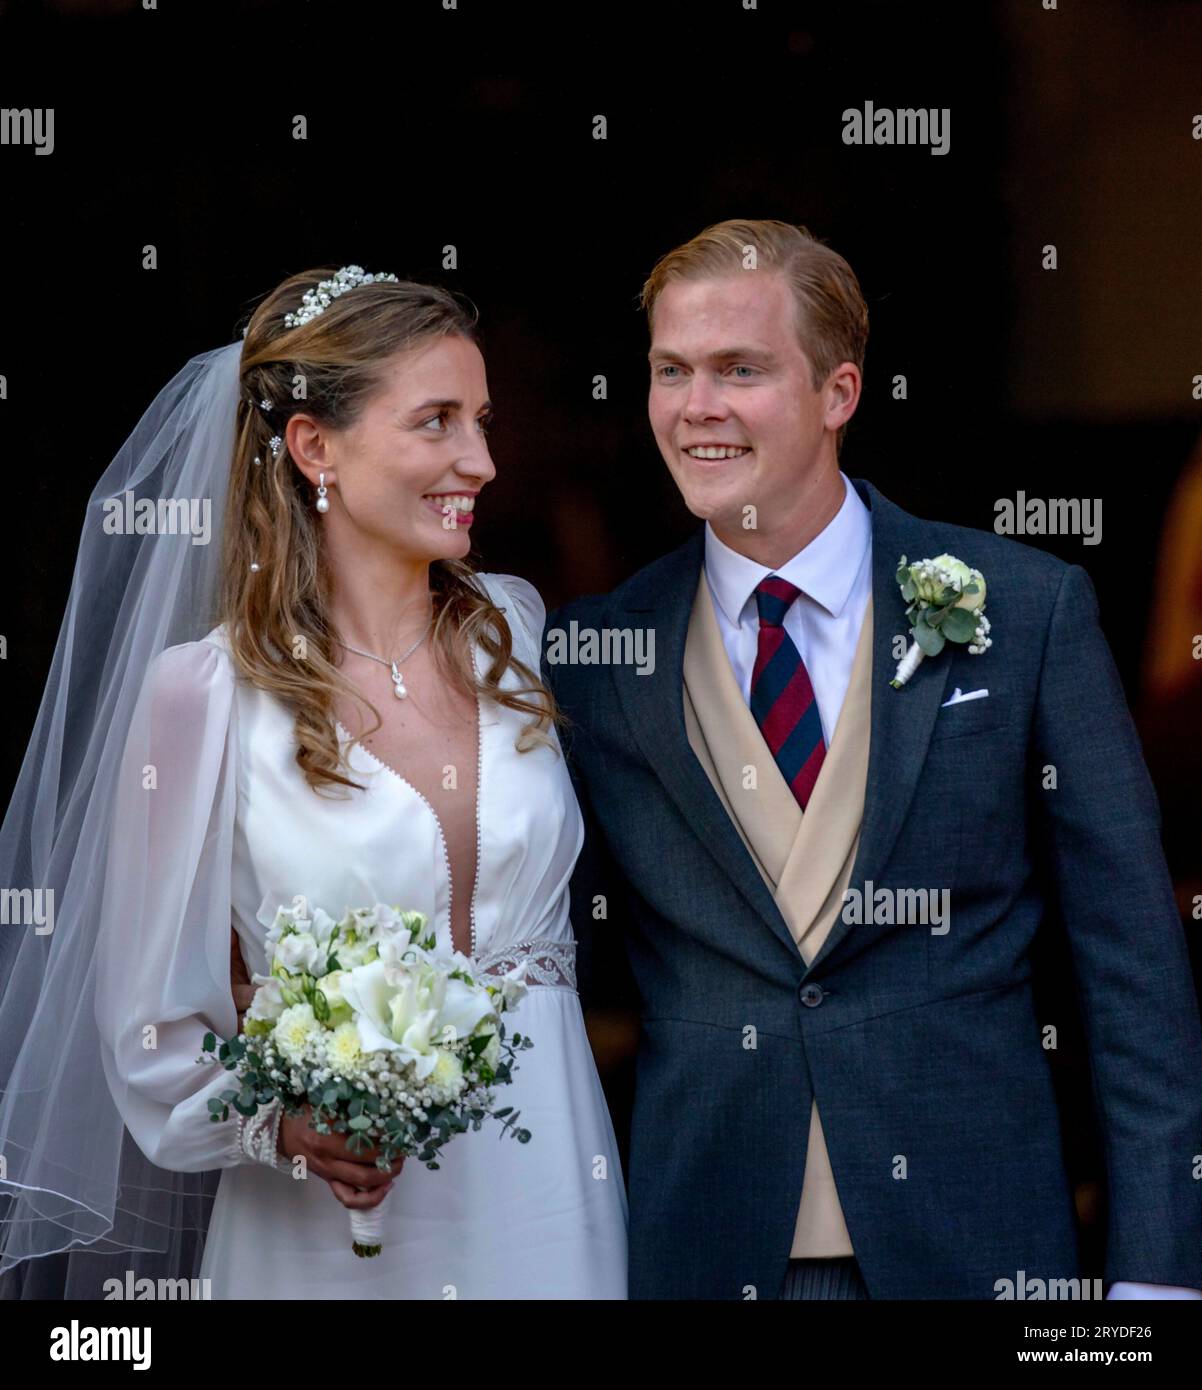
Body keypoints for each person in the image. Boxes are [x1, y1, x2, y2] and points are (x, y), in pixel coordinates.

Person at [543, 219, 1202, 1301]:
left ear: (838, 392)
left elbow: (1131, 968)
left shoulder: (1022, 611)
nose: (694, 405)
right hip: (703, 1247)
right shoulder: (590, 655)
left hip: (975, 1248)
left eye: (738, 370)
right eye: (670, 371)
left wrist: (1155, 1274)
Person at [0, 266, 627, 1299]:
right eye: (436, 422)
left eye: (480, 419)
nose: (481, 459)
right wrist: (280, 1124)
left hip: (548, 1183)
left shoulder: (512, 630)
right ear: (313, 447)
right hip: (331, 1230)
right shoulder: (204, 695)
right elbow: (152, 1027)